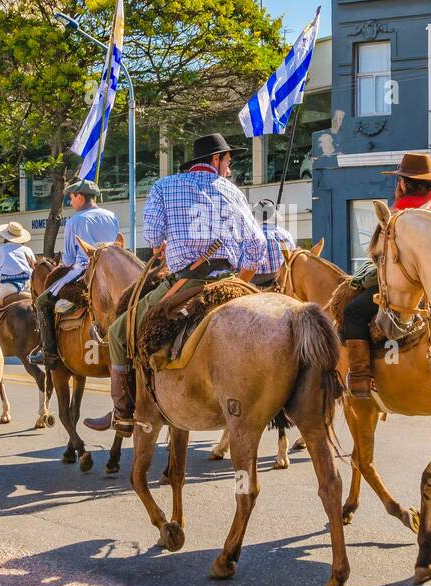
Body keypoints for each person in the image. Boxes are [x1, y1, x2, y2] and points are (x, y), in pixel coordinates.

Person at [85, 133, 266, 435]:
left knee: (118, 334)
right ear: (215, 160)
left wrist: (162, 245)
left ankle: (123, 413)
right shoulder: (233, 192)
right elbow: (257, 245)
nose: (229, 171)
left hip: (187, 281)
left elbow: (153, 238)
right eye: (228, 163)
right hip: (231, 281)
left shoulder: (164, 186)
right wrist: (240, 281)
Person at [342, 152, 431, 399]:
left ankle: (360, 376)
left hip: (410, 284)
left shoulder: (399, 213)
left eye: (399, 181)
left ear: (403, 183)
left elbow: (381, 256)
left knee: (353, 312)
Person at [28, 178, 120, 367]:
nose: (70, 202)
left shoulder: (75, 221)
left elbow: (69, 259)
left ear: (79, 196)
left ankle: (49, 353)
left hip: (83, 272)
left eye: (71, 198)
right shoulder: (112, 216)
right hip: (111, 271)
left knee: (42, 302)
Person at [250, 199, 296, 288]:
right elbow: (291, 259)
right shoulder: (285, 235)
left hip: (254, 283)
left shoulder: (250, 235)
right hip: (279, 282)